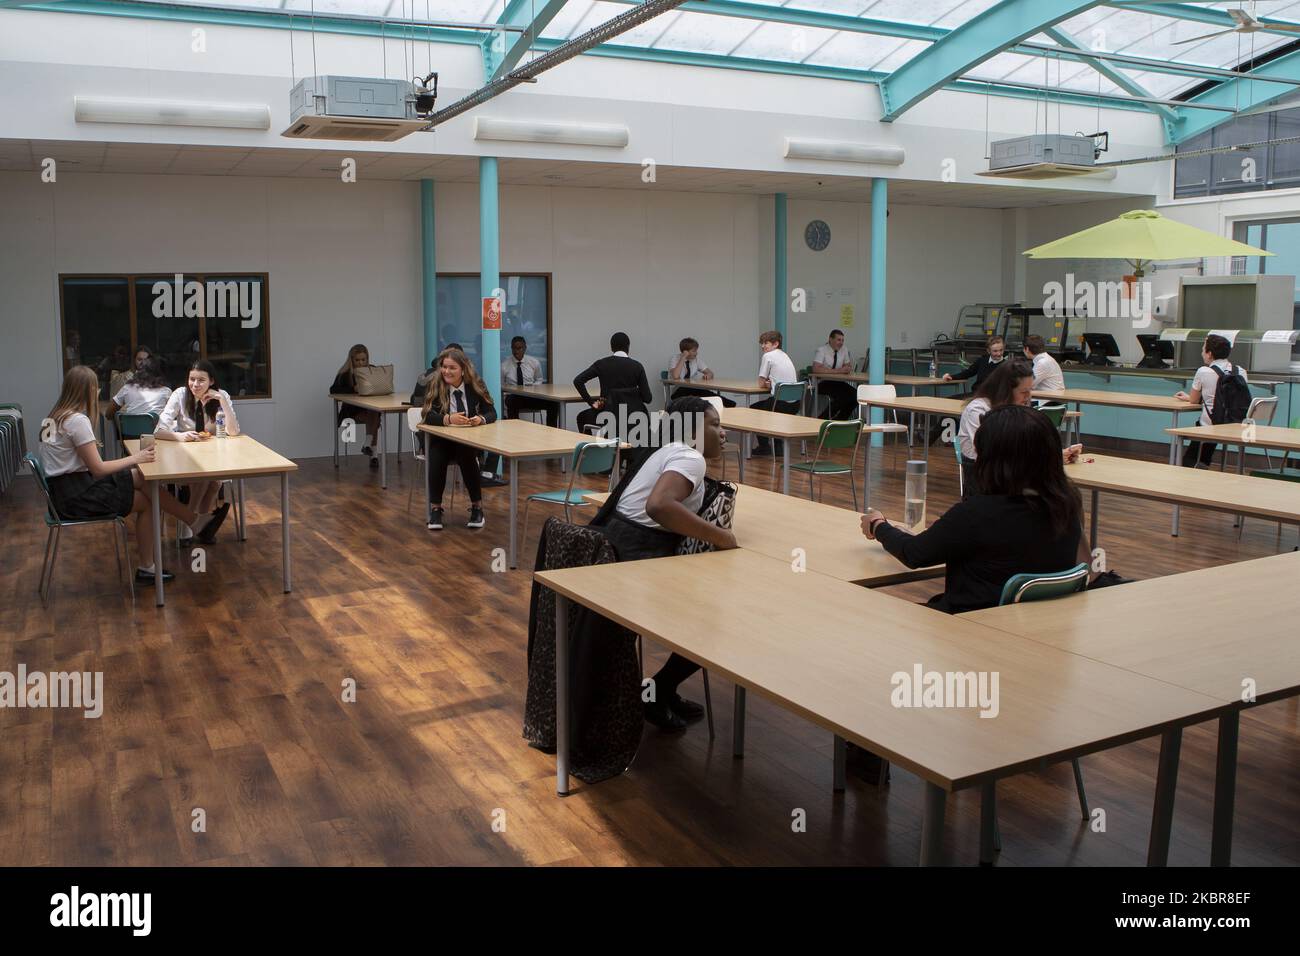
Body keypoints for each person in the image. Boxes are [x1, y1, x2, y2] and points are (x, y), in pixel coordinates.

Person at [588, 397, 736, 731]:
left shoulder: (666, 449)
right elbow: (659, 505)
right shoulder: (690, 457)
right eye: (714, 424)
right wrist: (720, 536)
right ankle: (657, 692)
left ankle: (658, 691)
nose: (723, 433)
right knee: (711, 620)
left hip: (615, 551)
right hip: (638, 560)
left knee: (704, 613)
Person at [862, 403, 1090, 614]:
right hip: (1037, 628)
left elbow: (914, 554)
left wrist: (878, 525)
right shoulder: (1067, 504)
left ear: (992, 457)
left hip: (968, 625)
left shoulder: (977, 514)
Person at [39, 366, 212, 583]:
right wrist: (136, 458)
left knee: (141, 479)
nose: (98, 392)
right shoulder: (76, 421)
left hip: (63, 492)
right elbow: (98, 469)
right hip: (77, 497)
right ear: (89, 390)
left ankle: (191, 522)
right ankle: (151, 564)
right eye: (96, 388)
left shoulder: (52, 418)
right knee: (148, 500)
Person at [156, 359, 240, 544]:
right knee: (206, 478)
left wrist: (222, 401)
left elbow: (233, 432)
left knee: (214, 482)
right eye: (191, 379)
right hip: (183, 455)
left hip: (212, 455)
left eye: (201, 380)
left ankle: (198, 526)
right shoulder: (180, 395)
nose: (195, 384)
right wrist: (181, 436)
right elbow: (158, 431)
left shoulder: (221, 395)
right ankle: (189, 524)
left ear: (211, 381)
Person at [421, 348, 496, 531]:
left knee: (466, 454)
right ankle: (436, 509)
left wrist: (481, 419)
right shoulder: (436, 383)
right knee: (436, 456)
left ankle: (477, 508)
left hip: (467, 441)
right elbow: (427, 415)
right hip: (441, 440)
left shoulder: (475, 384)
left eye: (452, 368)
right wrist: (448, 419)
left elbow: (492, 412)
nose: (446, 371)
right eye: (444, 367)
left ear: (463, 369)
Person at [481, 336, 557, 482]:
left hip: (532, 396)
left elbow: (540, 379)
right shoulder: (505, 365)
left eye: (520, 348)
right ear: (511, 349)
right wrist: (512, 389)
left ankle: (551, 437)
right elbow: (501, 386)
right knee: (511, 402)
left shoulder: (534, 363)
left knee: (552, 404)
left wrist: (533, 388)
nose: (517, 351)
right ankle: (513, 439)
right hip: (515, 397)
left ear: (525, 348)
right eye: (515, 348)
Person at [1174, 333, 1249, 468]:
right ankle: (1203, 463)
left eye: (1203, 349)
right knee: (1211, 428)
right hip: (1235, 424)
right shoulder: (1241, 371)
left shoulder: (1203, 371)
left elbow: (1194, 400)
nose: (1201, 352)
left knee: (1203, 426)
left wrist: (1188, 398)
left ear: (1209, 354)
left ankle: (1193, 466)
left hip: (1212, 424)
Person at [573, 332, 653, 438]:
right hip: (633, 416)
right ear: (628, 347)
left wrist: (592, 403)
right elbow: (647, 398)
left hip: (607, 415)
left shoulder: (601, 364)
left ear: (611, 347)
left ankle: (590, 451)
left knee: (581, 417)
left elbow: (578, 381)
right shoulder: (637, 367)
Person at [330, 344, 383, 469]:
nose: (361, 363)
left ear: (367, 359)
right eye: (357, 360)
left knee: (374, 411)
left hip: (369, 410)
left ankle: (368, 446)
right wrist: (353, 389)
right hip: (351, 412)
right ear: (352, 360)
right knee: (374, 417)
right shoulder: (345, 373)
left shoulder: (372, 370)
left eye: (363, 359)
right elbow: (333, 390)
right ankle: (373, 454)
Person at [751, 330, 799, 456]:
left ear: (775, 344)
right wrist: (772, 383)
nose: (762, 346)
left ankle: (764, 447)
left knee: (754, 410)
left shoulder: (768, 356)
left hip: (780, 403)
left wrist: (768, 383)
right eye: (761, 343)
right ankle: (778, 447)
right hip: (794, 404)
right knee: (770, 408)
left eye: (766, 343)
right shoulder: (784, 355)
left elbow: (761, 383)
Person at [669, 337, 735, 407]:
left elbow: (710, 373)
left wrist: (708, 375)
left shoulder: (696, 360)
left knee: (710, 395)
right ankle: (730, 405)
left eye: (696, 350)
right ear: (686, 351)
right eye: (694, 351)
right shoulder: (675, 359)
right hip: (679, 391)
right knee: (700, 395)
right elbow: (675, 376)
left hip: (693, 389)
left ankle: (732, 405)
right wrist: (683, 357)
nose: (696, 353)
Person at [107, 355, 171, 419]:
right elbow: (173, 415)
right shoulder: (166, 392)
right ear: (162, 375)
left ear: (140, 371)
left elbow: (108, 414)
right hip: (154, 428)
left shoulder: (127, 388)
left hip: (129, 428)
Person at [811, 329, 855, 420]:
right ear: (830, 339)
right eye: (838, 340)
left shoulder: (844, 350)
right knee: (843, 397)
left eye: (842, 340)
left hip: (838, 382)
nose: (841, 343)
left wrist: (846, 369)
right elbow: (816, 369)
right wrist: (838, 371)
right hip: (823, 383)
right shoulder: (822, 350)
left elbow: (848, 366)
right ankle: (822, 419)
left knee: (856, 395)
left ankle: (840, 420)